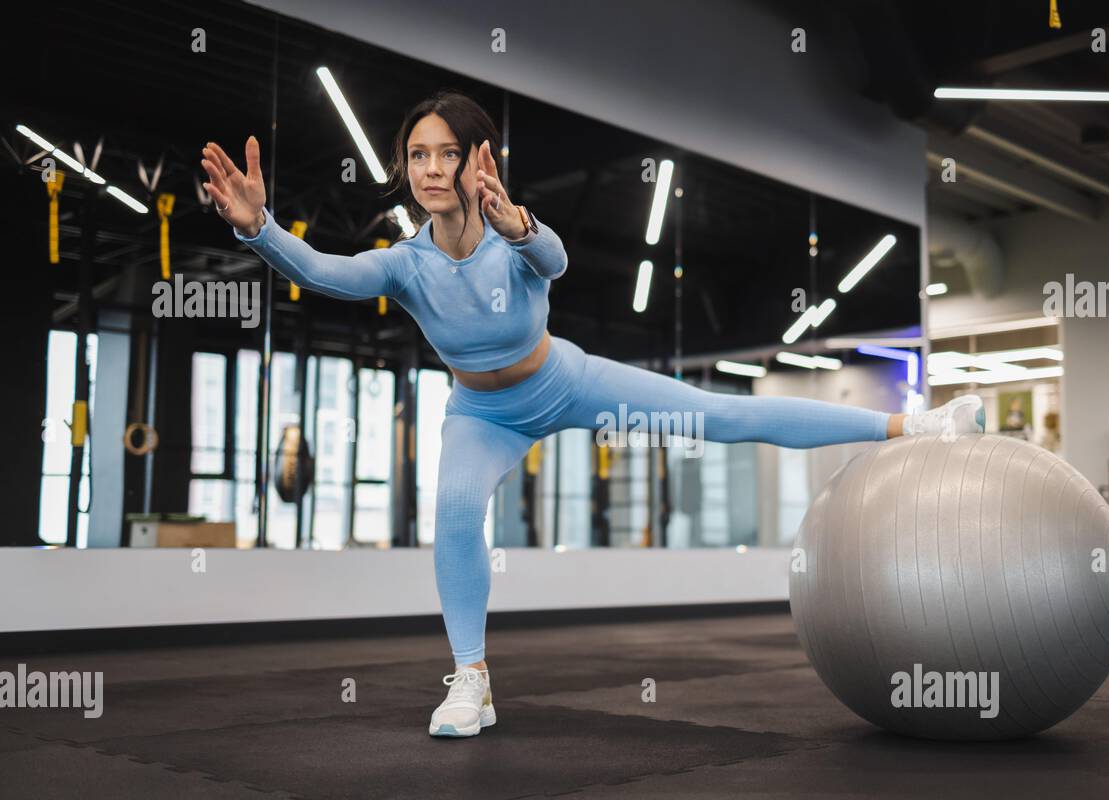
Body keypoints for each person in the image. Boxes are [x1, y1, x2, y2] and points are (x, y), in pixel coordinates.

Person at [202, 89, 985, 739]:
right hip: (483, 414)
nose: (431, 168)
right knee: (454, 507)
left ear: (481, 163)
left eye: (447, 153)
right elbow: (326, 272)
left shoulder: (515, 235)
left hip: (567, 381)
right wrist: (258, 229)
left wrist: (525, 229)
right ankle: (471, 678)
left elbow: (557, 263)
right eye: (417, 155)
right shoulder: (405, 263)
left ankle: (916, 426)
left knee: (719, 416)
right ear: (405, 168)